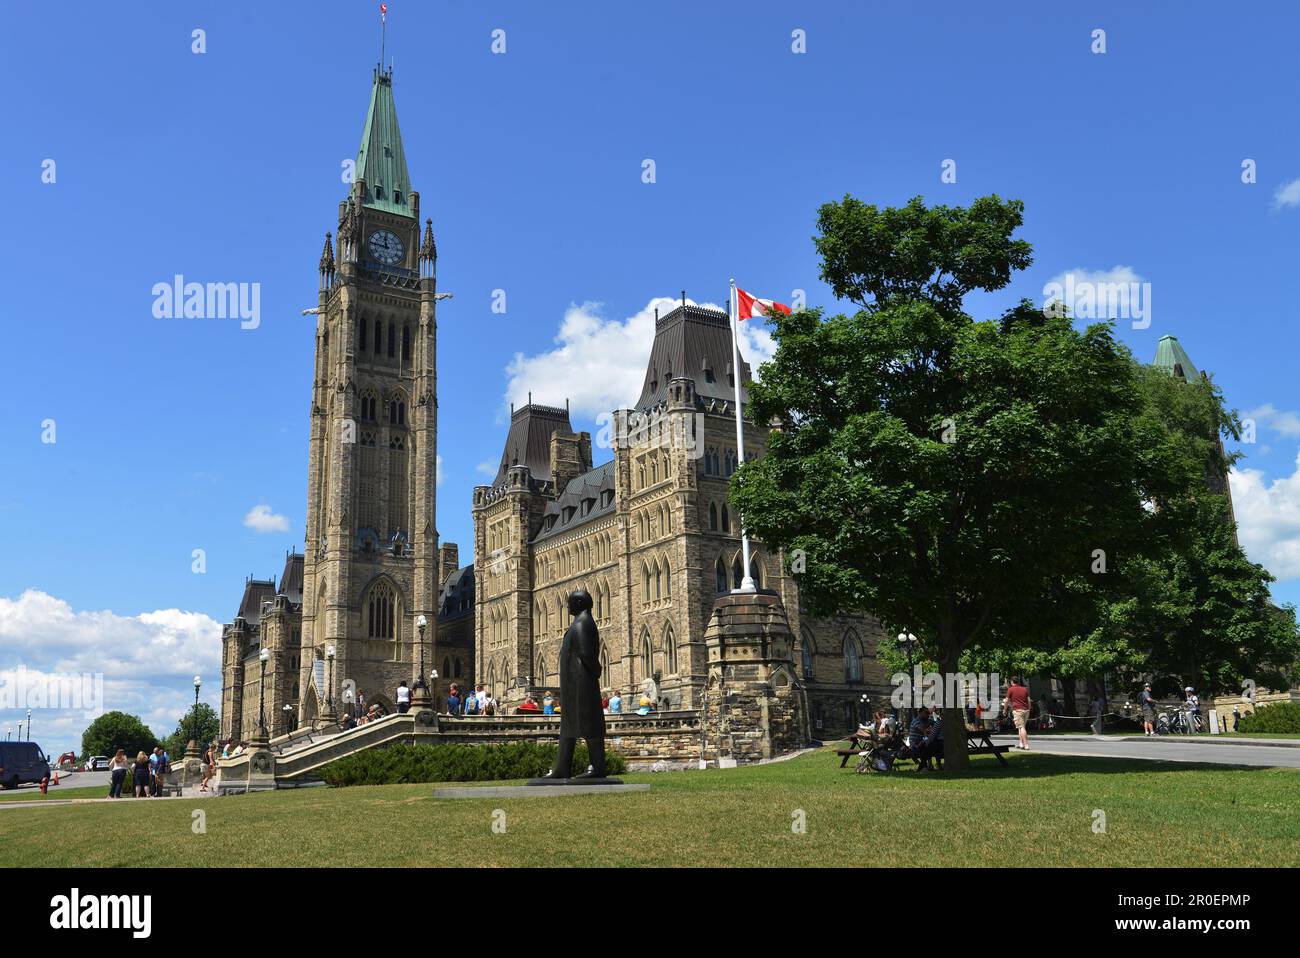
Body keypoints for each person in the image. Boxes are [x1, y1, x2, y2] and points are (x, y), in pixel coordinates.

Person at [1003, 677, 1032, 750]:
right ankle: (1021, 743)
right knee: (1021, 727)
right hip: (1026, 710)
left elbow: (1006, 701)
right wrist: (1029, 708)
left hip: (1017, 710)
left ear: (1012, 682)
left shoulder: (1011, 689)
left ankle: (1026, 745)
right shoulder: (1024, 689)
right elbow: (1028, 700)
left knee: (1021, 727)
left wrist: (1005, 710)